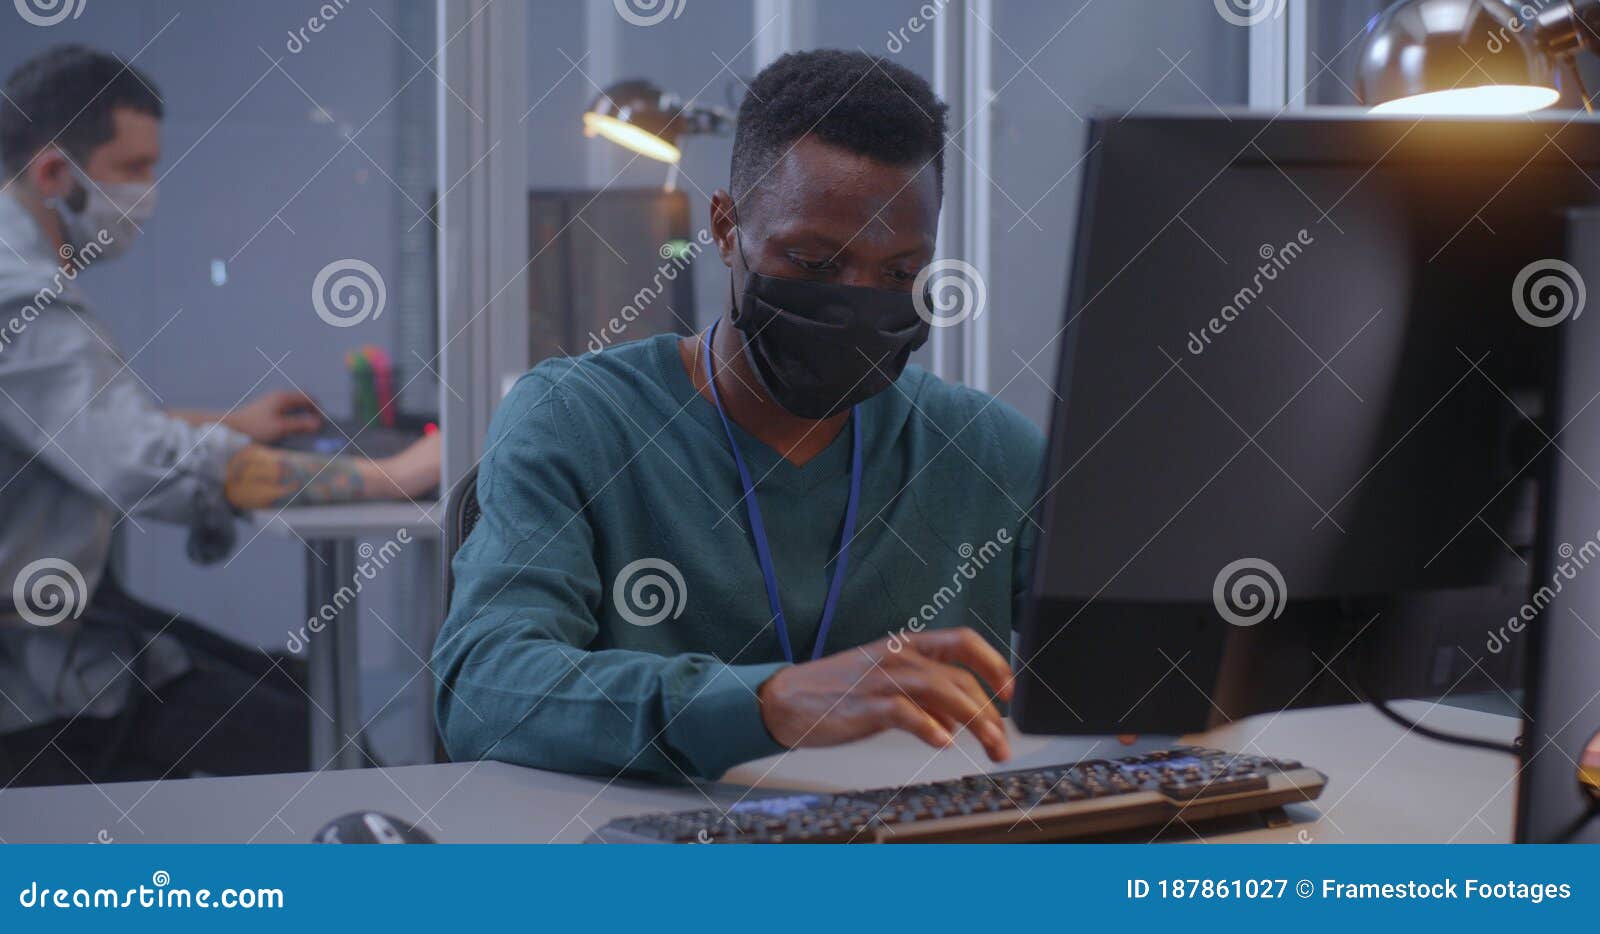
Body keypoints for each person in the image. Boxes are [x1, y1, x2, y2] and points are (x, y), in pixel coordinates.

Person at [436, 49, 1047, 781]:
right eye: (815, 263)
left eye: (898, 274)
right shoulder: (578, 421)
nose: (857, 298)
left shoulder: (984, 451)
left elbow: (1147, 658)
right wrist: (765, 703)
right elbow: (484, 687)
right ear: (725, 228)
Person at [0, 46, 440, 787]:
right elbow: (136, 461)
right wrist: (392, 477)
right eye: (133, 169)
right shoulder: (17, 292)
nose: (147, 193)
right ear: (52, 174)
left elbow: (62, 430)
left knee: (300, 691)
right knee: (318, 742)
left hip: (70, 628)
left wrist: (233, 422)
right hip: (37, 680)